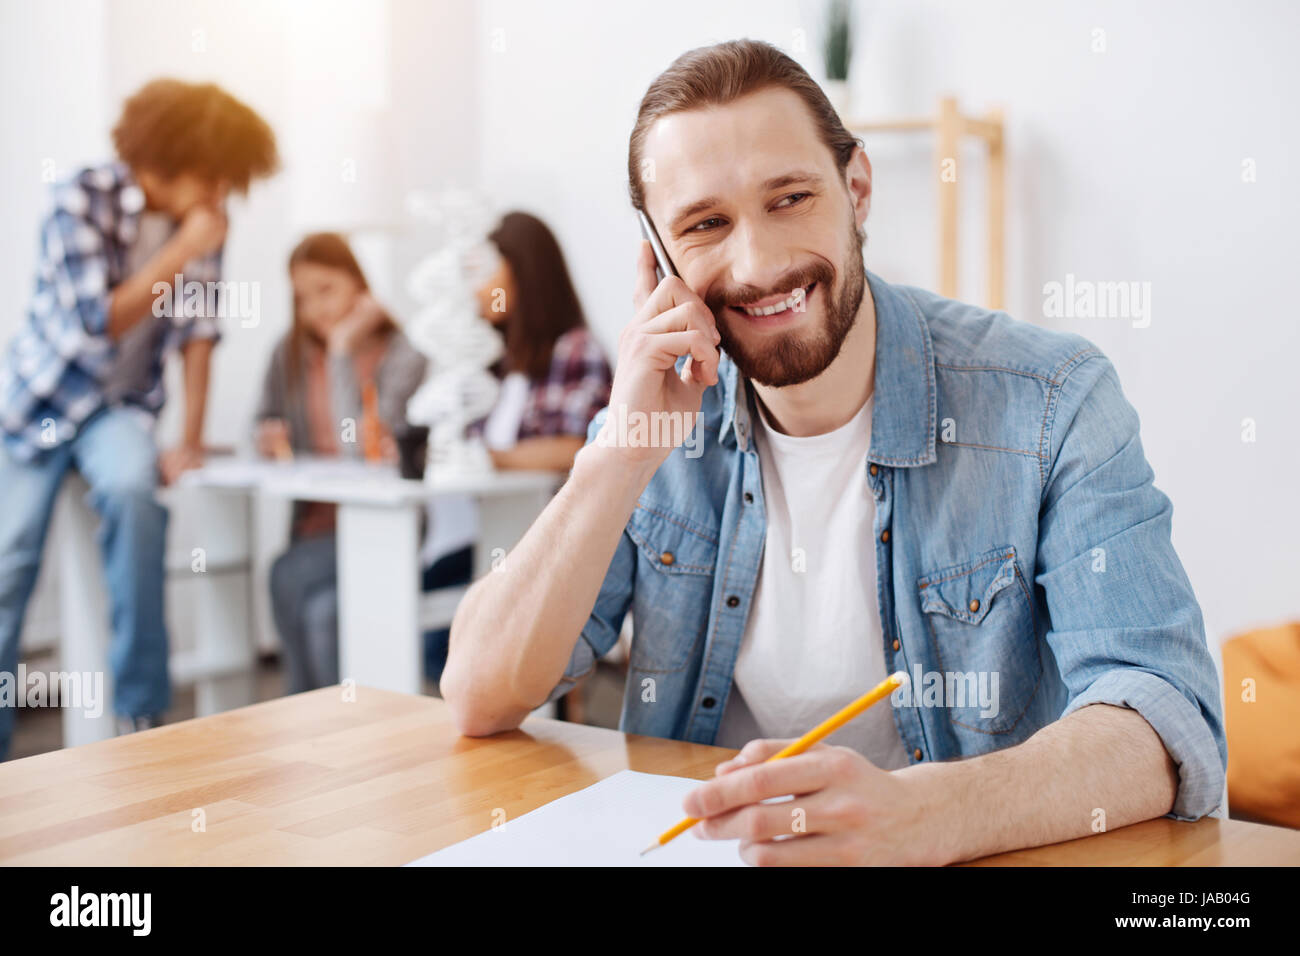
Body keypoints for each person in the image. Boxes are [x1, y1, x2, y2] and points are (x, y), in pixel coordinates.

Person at [442, 40, 1227, 865]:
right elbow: (479, 694)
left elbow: (1163, 716)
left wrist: (930, 818)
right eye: (706, 224)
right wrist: (621, 454)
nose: (759, 263)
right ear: (660, 258)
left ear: (856, 190)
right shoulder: (659, 411)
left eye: (790, 198)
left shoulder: (1053, 400)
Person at [0, 79, 277, 756]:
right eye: (216, 177)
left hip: (116, 411)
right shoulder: (78, 197)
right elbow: (100, 322)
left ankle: (141, 718)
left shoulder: (206, 222)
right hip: (41, 402)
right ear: (172, 157)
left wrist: (187, 441)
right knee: (10, 560)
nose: (222, 195)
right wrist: (181, 249)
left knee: (133, 494)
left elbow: (199, 332)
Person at [419, 212, 612, 682]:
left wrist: (485, 459)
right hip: (481, 537)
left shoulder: (575, 349)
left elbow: (576, 447)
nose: (475, 289)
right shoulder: (494, 361)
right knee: (398, 604)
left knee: (435, 640)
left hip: (536, 544)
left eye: (482, 272)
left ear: (521, 270)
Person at [256, 233, 429, 694]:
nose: (315, 308)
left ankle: (316, 722)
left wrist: (340, 351)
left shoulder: (403, 355)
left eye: (326, 290)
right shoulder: (287, 353)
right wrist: (266, 437)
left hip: (383, 527)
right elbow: (261, 421)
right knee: (321, 612)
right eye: (301, 298)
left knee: (287, 576)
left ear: (358, 283)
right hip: (316, 528)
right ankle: (313, 728)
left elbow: (365, 448)